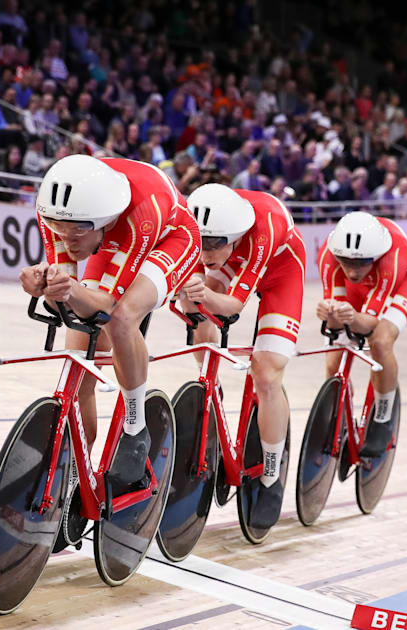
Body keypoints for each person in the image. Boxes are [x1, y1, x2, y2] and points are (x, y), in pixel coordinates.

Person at [19, 155, 200, 485]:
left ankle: (135, 427)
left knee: (120, 318)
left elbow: (106, 305)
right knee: (78, 357)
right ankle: (74, 475)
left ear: (101, 221)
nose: (66, 239)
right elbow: (68, 297)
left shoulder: (140, 215)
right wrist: (45, 285)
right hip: (109, 232)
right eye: (58, 229)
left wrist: (69, 289)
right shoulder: (61, 214)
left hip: (168, 236)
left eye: (74, 231)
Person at [180, 183, 305, 529]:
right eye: (201, 243)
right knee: (196, 311)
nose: (206, 252)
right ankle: (210, 391)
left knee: (266, 375)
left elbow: (234, 305)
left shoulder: (264, 226)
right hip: (235, 262)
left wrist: (200, 291)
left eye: (214, 244)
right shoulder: (205, 227)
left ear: (234, 235)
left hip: (281, 273)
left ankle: (270, 471)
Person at [315, 211, 407, 458]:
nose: (353, 271)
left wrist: (351, 317)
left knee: (381, 341)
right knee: (334, 362)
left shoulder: (393, 259)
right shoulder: (328, 256)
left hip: (402, 282)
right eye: (347, 262)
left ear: (375, 256)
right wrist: (329, 312)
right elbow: (336, 324)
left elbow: (370, 324)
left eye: (361, 262)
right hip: (358, 291)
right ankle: (339, 418)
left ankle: (383, 417)